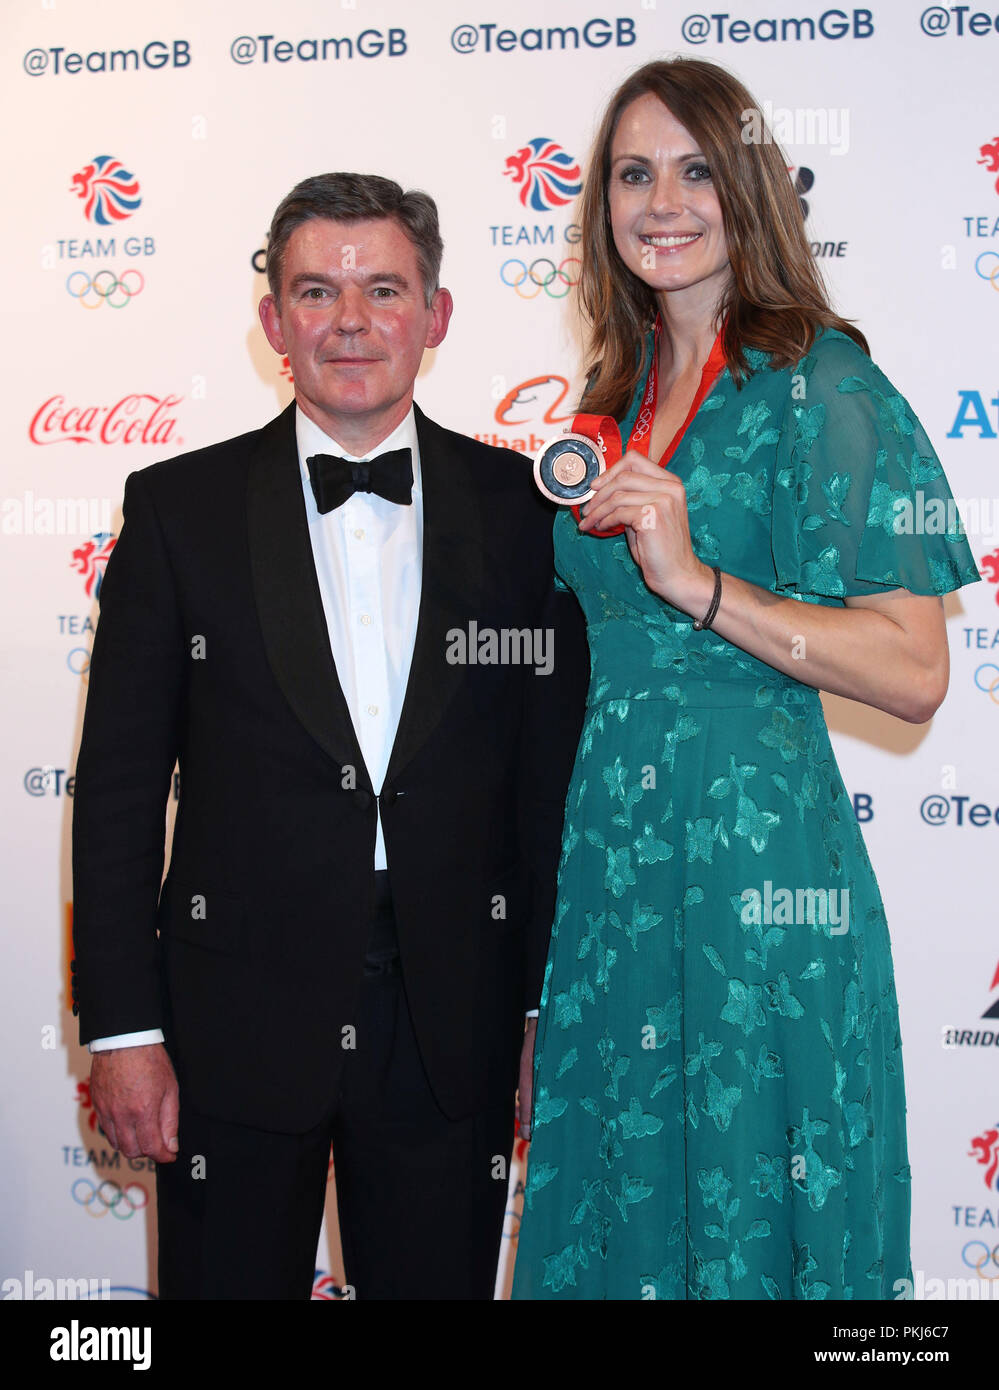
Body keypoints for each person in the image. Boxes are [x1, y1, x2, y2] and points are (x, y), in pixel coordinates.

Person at [71, 172, 588, 1300]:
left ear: (436, 317)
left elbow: (544, 790)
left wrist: (551, 1005)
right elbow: (116, 791)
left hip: (454, 1018)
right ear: (273, 322)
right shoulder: (176, 511)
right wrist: (121, 1029)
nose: (351, 321)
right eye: (316, 290)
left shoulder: (521, 515)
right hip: (230, 1021)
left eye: (384, 289)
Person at [511, 58, 979, 1301]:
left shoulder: (822, 380)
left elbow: (916, 668)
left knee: (755, 1213)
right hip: (613, 876)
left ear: (751, 186)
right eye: (631, 173)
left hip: (757, 878)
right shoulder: (609, 405)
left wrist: (700, 580)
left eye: (697, 168)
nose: (661, 200)